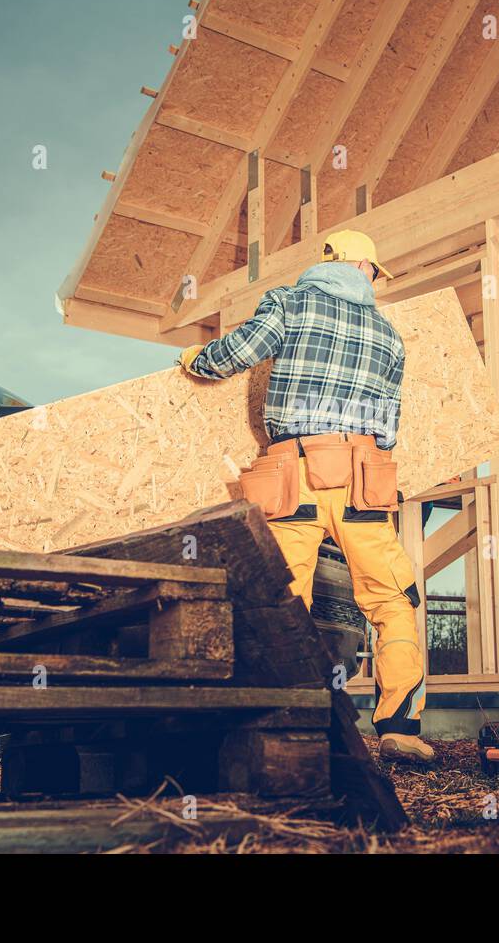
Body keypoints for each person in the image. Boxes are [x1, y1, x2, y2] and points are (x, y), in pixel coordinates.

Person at [177, 229, 432, 763]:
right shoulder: (389, 334)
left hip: (295, 479)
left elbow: (236, 354)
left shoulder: (289, 303)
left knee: (284, 598)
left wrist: (195, 359)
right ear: (360, 266)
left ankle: (289, 720)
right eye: (373, 270)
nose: (373, 280)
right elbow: (390, 423)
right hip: (364, 477)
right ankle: (399, 726)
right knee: (392, 598)